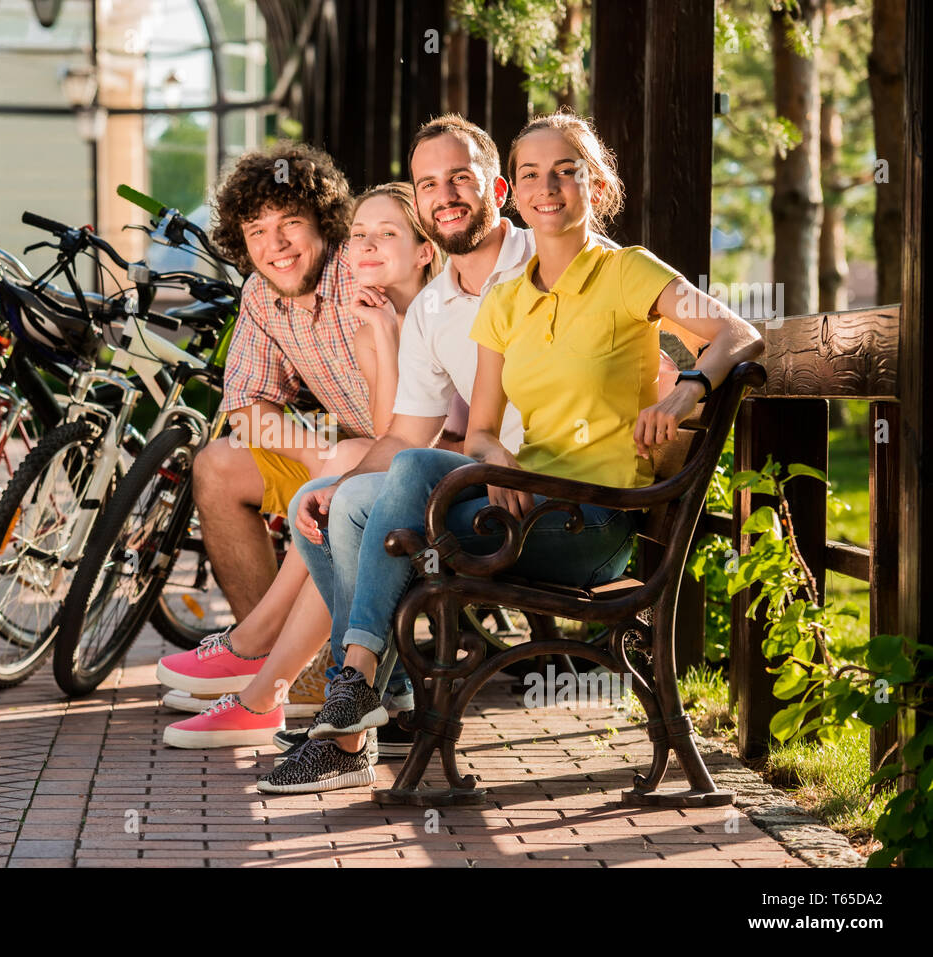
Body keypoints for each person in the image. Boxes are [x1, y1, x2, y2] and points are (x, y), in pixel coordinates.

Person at [264, 109, 764, 794]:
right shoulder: (504, 300)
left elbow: (735, 333)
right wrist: (503, 461)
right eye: (534, 172)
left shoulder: (625, 271)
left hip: (590, 517)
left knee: (384, 511)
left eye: (565, 171)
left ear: (596, 184)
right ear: (517, 188)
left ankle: (353, 711)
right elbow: (477, 432)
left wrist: (681, 396)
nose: (547, 186)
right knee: (380, 482)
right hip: (518, 499)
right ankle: (361, 695)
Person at [162, 182, 444, 747]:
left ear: (324, 225)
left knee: (347, 479)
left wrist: (340, 465)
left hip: (406, 456)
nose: (277, 246)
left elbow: (406, 428)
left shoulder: (366, 273)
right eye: (256, 233)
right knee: (220, 465)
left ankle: (265, 661)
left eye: (289, 223)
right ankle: (273, 658)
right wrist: (322, 456)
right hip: (354, 449)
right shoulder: (262, 294)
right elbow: (244, 405)